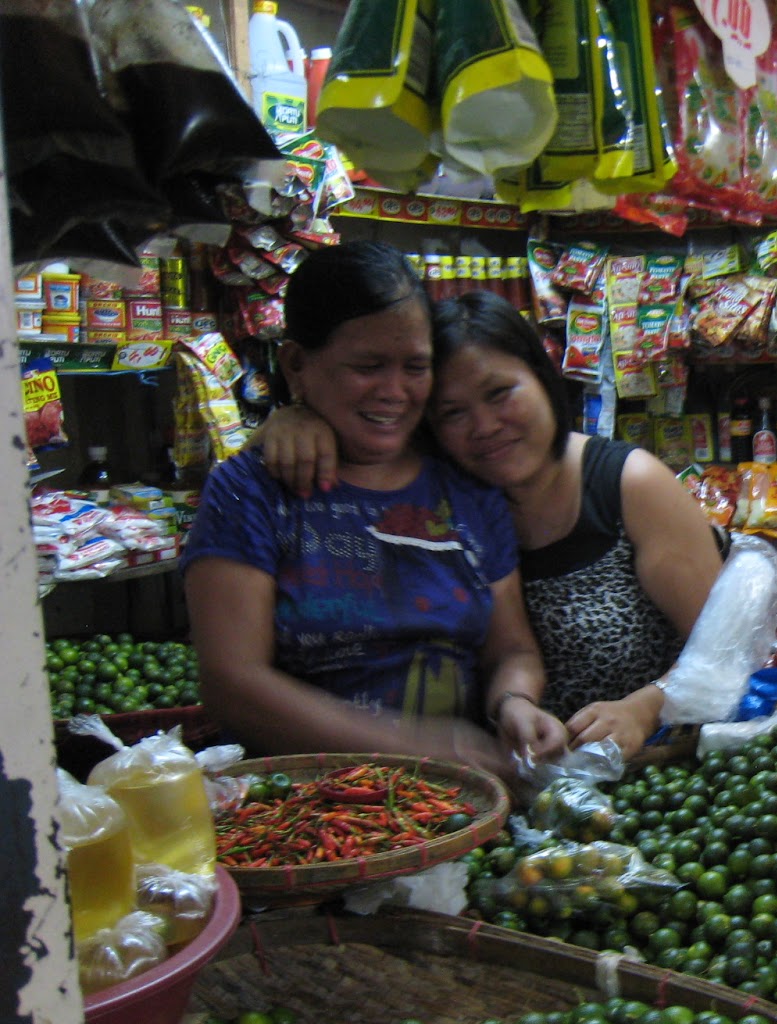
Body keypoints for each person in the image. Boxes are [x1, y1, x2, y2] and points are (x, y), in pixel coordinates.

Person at [256, 289, 726, 759]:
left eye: (499, 394)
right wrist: (294, 418)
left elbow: (725, 649)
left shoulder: (628, 486)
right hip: (494, 792)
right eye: (452, 413)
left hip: (651, 782)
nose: (484, 426)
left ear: (542, 377)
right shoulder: (438, 501)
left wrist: (645, 708)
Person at [183, 243, 566, 779]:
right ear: (297, 364)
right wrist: (420, 746)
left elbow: (513, 649)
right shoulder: (251, 491)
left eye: (416, 367)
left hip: (460, 807)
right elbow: (233, 685)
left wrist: (515, 704)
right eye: (368, 367)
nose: (395, 392)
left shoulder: (466, 488)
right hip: (311, 822)